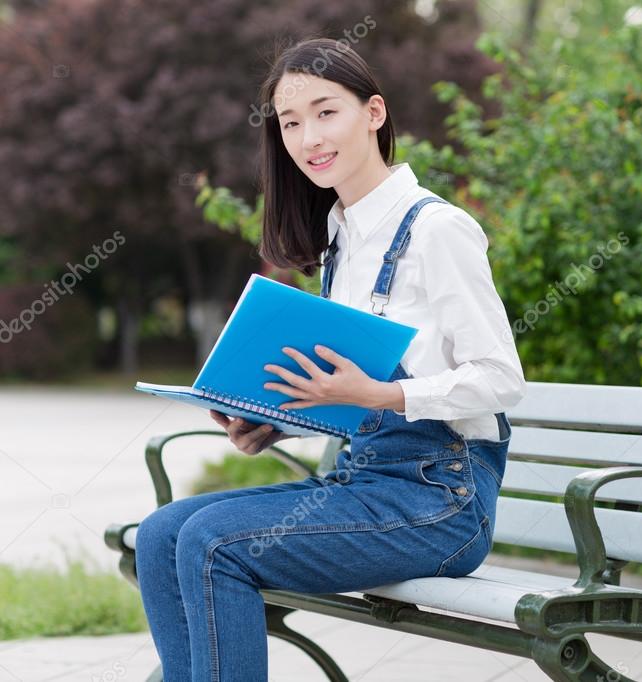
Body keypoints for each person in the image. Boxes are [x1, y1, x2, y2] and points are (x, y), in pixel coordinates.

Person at [134, 37, 526, 682]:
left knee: (213, 545)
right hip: (364, 481)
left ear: (374, 113)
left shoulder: (437, 230)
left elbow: (501, 379)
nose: (308, 136)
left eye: (325, 112)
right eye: (291, 123)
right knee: (162, 535)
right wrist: (273, 420)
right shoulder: (340, 238)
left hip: (443, 500)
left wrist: (382, 395)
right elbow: (352, 395)